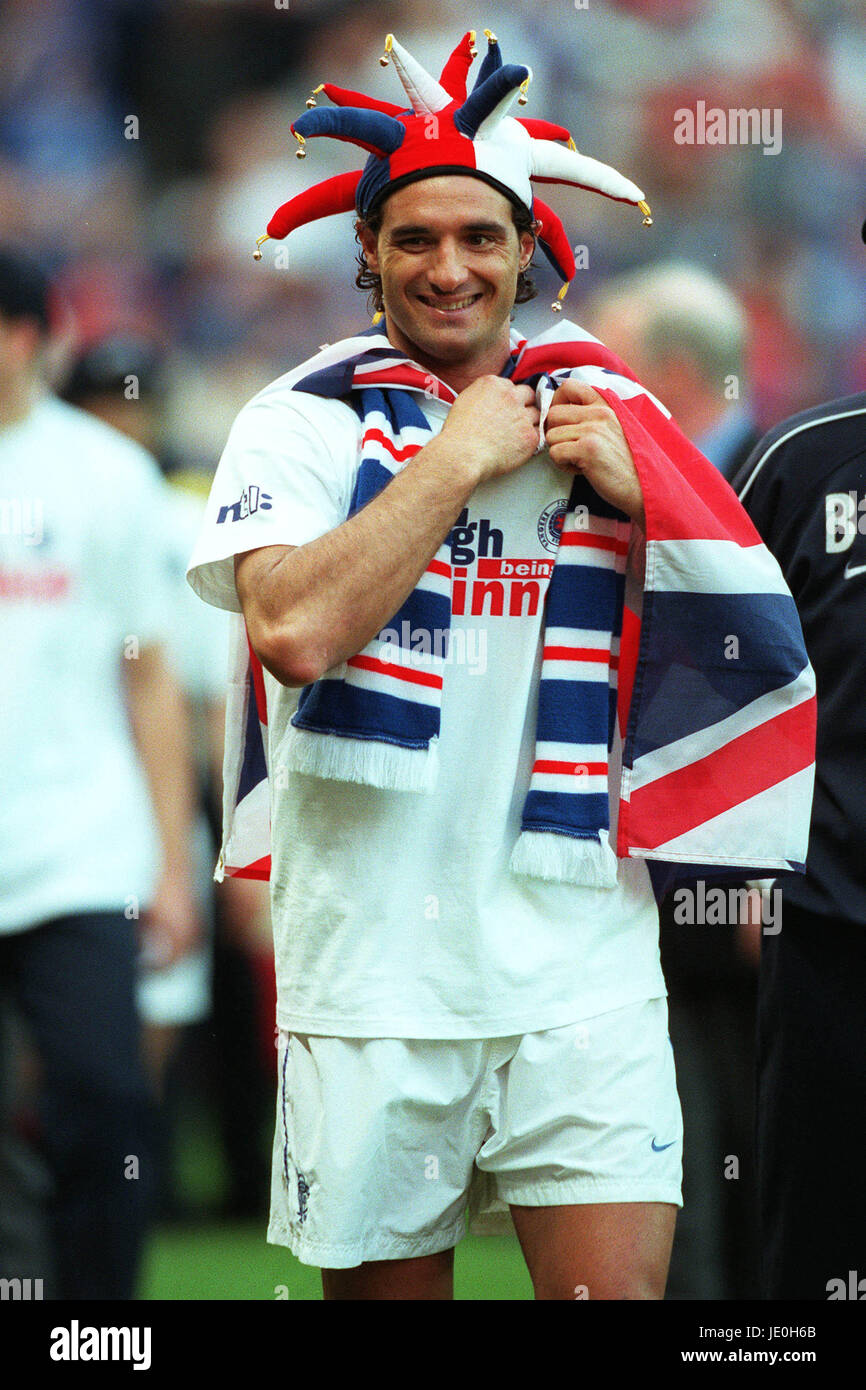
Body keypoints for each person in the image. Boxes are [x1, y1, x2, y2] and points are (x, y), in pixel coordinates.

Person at [187, 30, 815, 1301]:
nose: (448, 265)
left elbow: (755, 639)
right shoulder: (295, 419)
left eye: (480, 236)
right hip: (370, 974)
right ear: (365, 252)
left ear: (527, 250)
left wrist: (660, 513)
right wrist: (456, 459)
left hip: (578, 959)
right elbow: (294, 632)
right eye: (413, 238)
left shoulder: (609, 416)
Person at [0, 247, 200, 1298]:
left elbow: (151, 676)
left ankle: (96, 1322)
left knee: (105, 1098)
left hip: (76, 853)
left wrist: (170, 863)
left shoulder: (104, 475)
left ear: (25, 338)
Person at [589, 263, 764, 1299]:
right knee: (685, 1155)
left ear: (675, 374)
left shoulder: (762, 491)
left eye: (607, 366)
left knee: (729, 1159)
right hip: (671, 897)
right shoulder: (650, 495)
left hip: (738, 895)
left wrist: (764, 867)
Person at [732, 376, 866, 1301]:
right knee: (818, 1254)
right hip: (831, 938)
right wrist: (744, 865)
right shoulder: (802, 460)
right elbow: (718, 665)